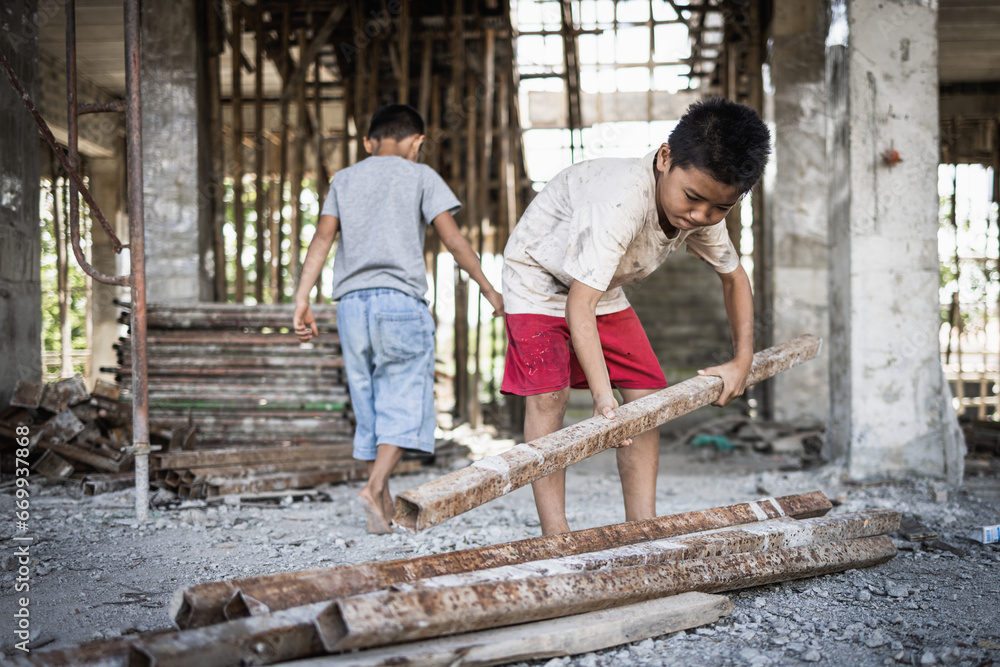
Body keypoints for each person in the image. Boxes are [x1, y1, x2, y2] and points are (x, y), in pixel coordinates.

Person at [500, 97, 771, 536]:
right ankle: (557, 535)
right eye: (693, 198)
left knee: (648, 403)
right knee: (550, 398)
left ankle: (641, 529)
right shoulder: (619, 201)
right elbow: (577, 306)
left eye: (721, 207)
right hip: (540, 281)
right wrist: (603, 399)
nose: (700, 216)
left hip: (600, 287)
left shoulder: (704, 208)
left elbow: (734, 278)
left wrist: (743, 360)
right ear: (665, 158)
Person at [293, 104, 504, 535]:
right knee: (405, 400)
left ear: (370, 143)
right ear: (416, 142)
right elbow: (454, 239)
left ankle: (381, 509)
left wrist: (301, 298)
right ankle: (373, 488)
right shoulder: (421, 176)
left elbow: (322, 238)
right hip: (399, 303)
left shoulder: (345, 179)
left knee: (369, 404)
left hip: (350, 307)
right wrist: (487, 286)